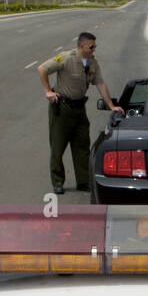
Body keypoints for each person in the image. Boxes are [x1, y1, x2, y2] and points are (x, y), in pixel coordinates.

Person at [37, 32, 121, 194]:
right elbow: (42, 69)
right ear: (81, 46)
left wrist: (111, 105)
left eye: (95, 46)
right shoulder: (65, 58)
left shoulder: (93, 63)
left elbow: (100, 83)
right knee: (58, 146)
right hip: (62, 108)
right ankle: (58, 182)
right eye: (91, 46)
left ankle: (83, 181)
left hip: (79, 109)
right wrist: (47, 91)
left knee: (82, 145)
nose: (94, 49)